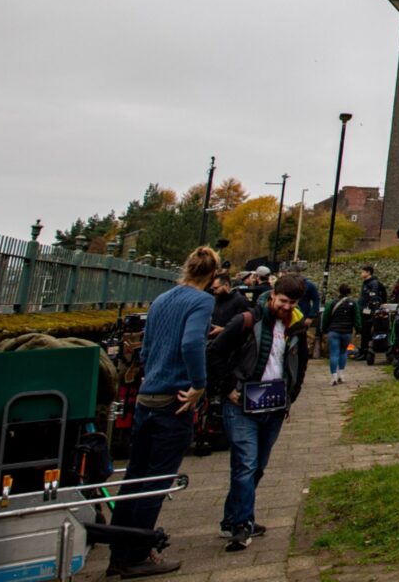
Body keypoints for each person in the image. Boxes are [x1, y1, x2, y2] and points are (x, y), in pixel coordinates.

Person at [107, 246, 220, 579]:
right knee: (156, 482)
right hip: (175, 400)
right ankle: (139, 554)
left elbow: (146, 345)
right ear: (212, 275)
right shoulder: (202, 301)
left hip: (146, 397)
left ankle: (118, 552)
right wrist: (198, 384)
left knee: (134, 477)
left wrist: (150, 372)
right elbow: (190, 344)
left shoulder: (161, 300)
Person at [208, 274, 308, 552]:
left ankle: (233, 517)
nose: (287, 307)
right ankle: (241, 525)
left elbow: (300, 365)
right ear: (273, 294)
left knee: (257, 467)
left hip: (274, 406)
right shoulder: (246, 321)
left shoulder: (296, 328)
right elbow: (215, 353)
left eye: (293, 303)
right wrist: (227, 387)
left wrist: (292, 396)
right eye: (283, 301)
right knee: (245, 464)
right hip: (241, 404)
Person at [324, 284, 358, 385]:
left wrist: (324, 329)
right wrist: (358, 329)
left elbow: (325, 317)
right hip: (347, 331)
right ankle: (341, 375)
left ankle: (333, 377)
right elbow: (357, 318)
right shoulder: (353, 303)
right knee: (343, 352)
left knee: (334, 354)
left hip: (334, 331)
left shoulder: (332, 303)